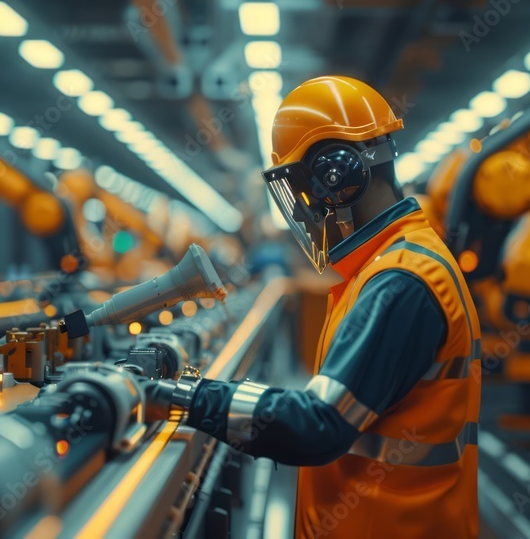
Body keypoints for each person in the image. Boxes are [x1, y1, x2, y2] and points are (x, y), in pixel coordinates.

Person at [143, 76, 481, 538]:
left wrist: (184, 396)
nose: (304, 211)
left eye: (303, 189)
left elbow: (318, 424)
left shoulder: (401, 281)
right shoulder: (387, 267)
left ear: (336, 177)